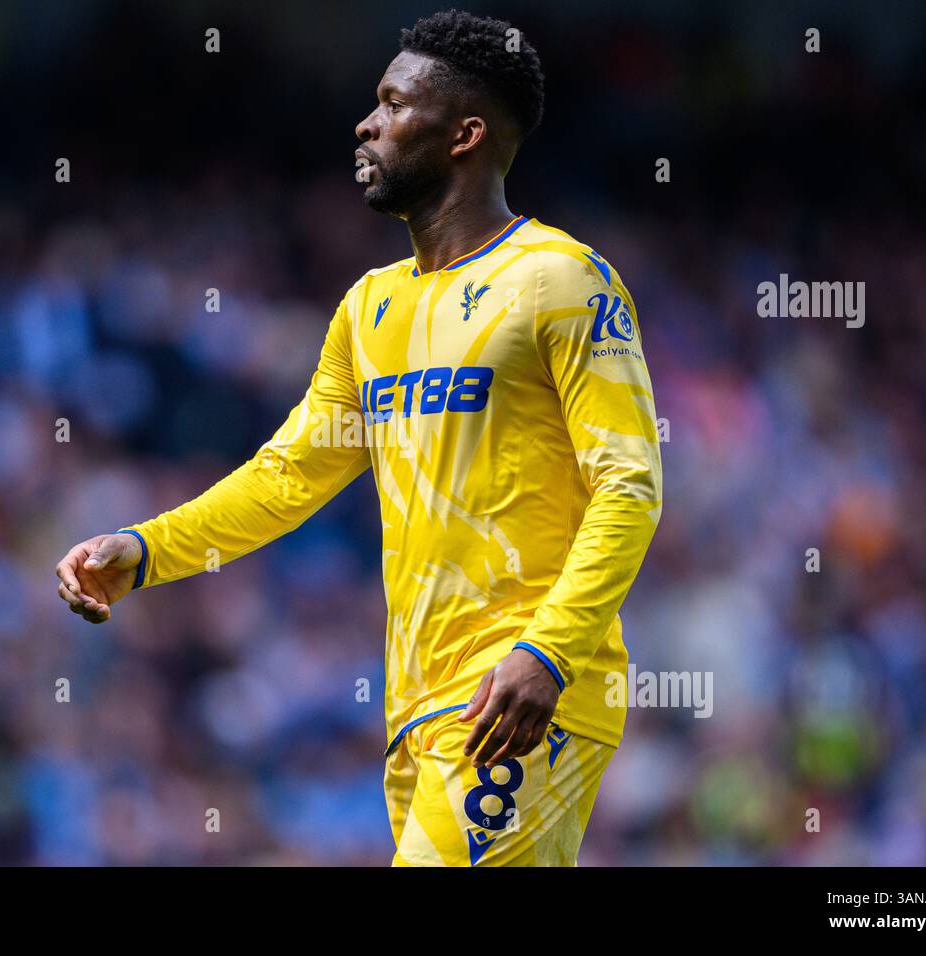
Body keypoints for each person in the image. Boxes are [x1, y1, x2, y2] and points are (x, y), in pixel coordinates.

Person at [56, 9, 662, 866]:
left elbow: (629, 485)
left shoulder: (560, 281)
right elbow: (288, 476)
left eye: (392, 102)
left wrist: (549, 653)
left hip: (521, 688)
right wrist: (148, 548)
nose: (366, 122)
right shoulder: (370, 306)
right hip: (414, 709)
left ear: (465, 133)